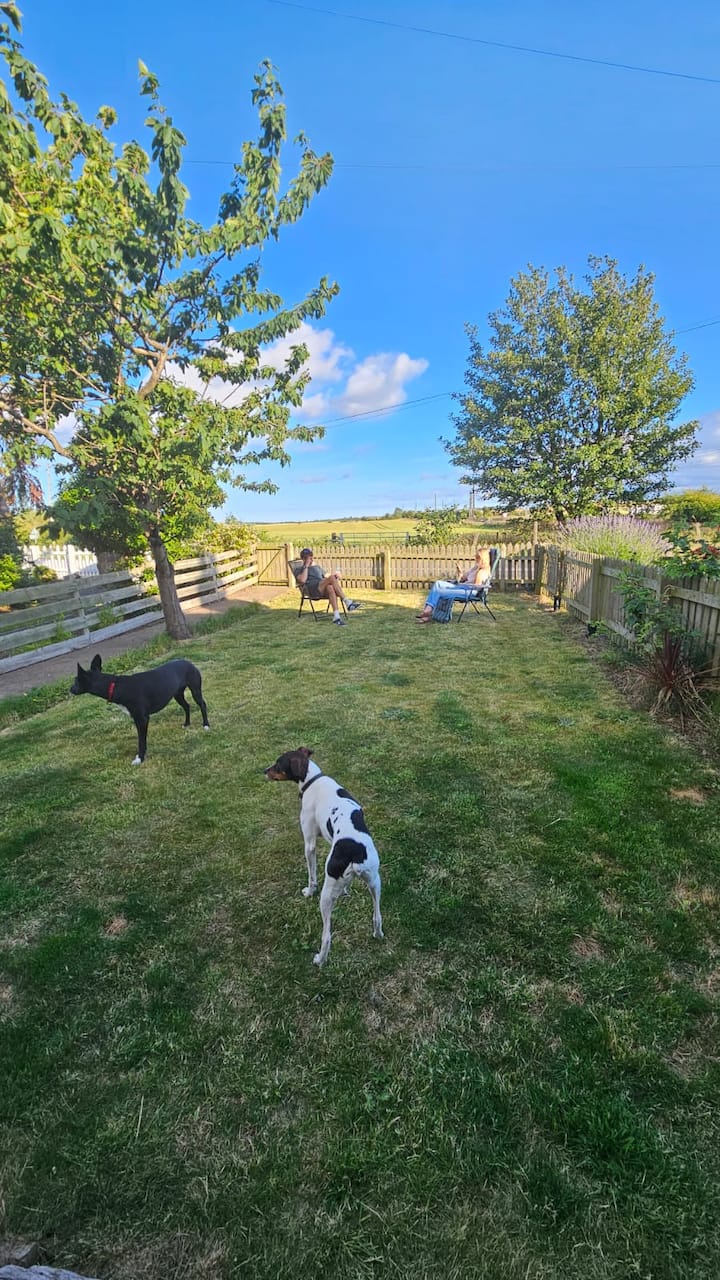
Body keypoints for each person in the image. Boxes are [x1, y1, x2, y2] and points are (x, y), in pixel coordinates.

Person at [416, 547, 492, 623]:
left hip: (469, 591)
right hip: (463, 587)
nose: (476, 559)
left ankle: (427, 613)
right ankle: (428, 611)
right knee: (438, 583)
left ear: (483, 559)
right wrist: (460, 572)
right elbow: (463, 578)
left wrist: (466, 583)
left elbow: (476, 586)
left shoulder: (483, 571)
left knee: (439, 592)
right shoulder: (476, 567)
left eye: (478, 558)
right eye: (476, 557)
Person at [293, 548, 362, 626]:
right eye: (306, 557)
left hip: (322, 588)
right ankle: (348, 602)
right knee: (331, 579)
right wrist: (306, 566)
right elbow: (302, 580)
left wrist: (336, 576)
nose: (310, 559)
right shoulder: (298, 569)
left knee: (330, 588)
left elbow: (328, 576)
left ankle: (336, 617)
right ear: (302, 559)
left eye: (311, 556)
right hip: (312, 590)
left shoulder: (317, 567)